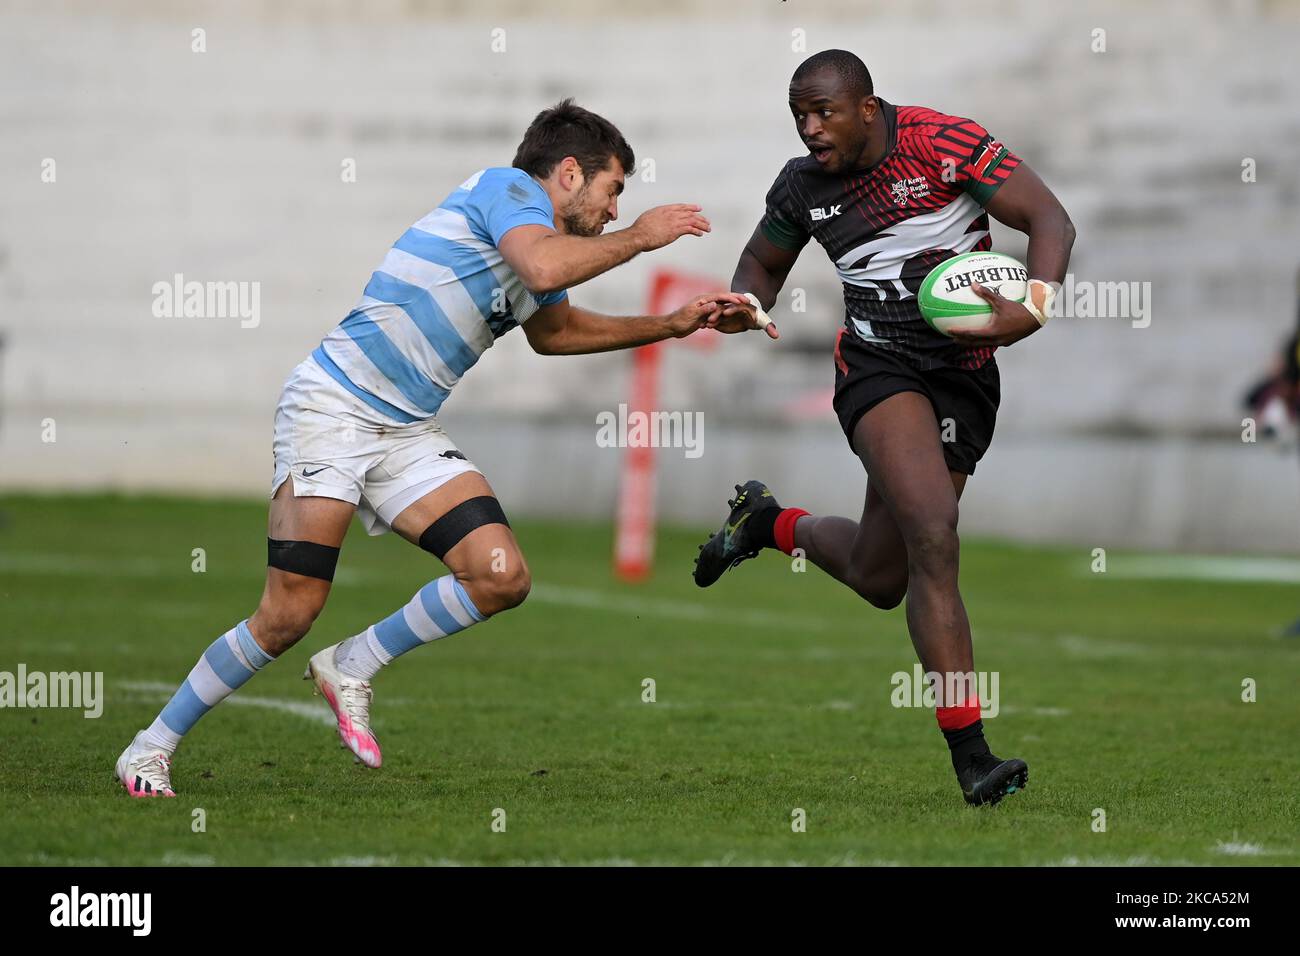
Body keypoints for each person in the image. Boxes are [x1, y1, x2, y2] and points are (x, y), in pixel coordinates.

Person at [115, 99, 770, 797]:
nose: (615, 211)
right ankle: (150, 747)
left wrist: (670, 325)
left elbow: (557, 332)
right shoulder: (508, 192)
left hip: (403, 431)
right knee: (289, 613)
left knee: (500, 577)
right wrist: (641, 238)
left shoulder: (539, 243)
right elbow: (545, 270)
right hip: (333, 409)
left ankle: (355, 662)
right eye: (614, 191)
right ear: (570, 173)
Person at [694, 50, 1076, 805]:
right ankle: (973, 756)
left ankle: (767, 524)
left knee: (881, 574)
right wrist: (744, 300)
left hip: (965, 378)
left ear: (868, 108)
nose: (809, 129)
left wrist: (1036, 303)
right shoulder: (802, 186)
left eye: (824, 113)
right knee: (934, 530)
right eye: (799, 115)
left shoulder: (942, 142)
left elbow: (1049, 218)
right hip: (878, 367)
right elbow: (760, 262)